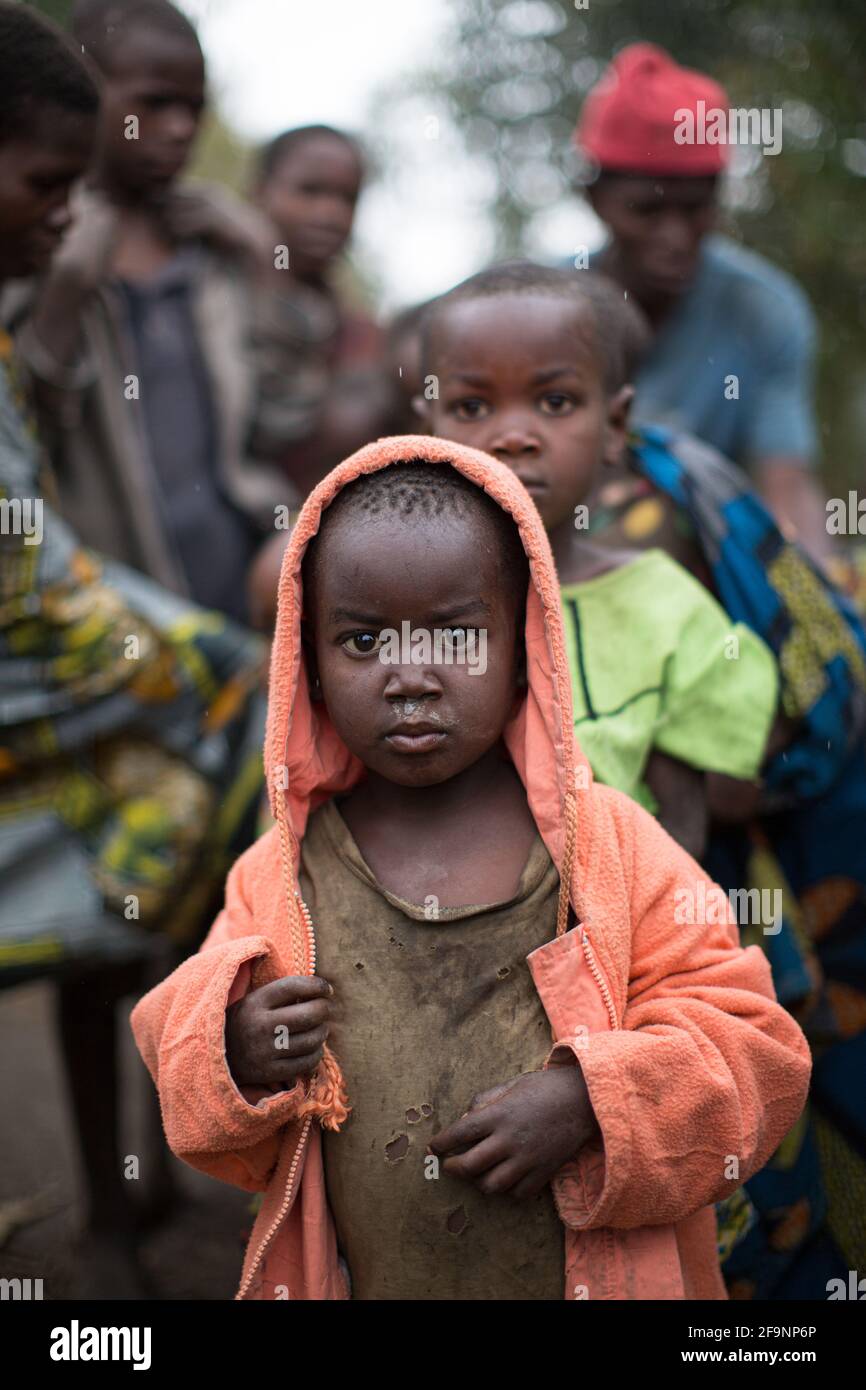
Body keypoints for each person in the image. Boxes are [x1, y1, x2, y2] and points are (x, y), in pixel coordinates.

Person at [131, 433, 811, 1301]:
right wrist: (234, 1049)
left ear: (523, 639)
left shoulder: (609, 846)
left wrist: (591, 1103)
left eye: (454, 636)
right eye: (363, 639)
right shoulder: (280, 875)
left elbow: (752, 1045)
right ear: (307, 659)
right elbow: (180, 1050)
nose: (409, 677)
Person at [0, 2, 266, 1297]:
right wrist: (71, 268)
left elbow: (278, 396)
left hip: (199, 617)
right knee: (100, 934)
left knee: (192, 912)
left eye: (187, 107)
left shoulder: (218, 255)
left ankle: (177, 1167)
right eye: (137, 104)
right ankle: (111, 1219)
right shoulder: (52, 253)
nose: (164, 131)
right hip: (114, 646)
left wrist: (266, 251)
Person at [419, 261, 783, 861]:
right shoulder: (392, 602)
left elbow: (688, 836)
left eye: (555, 401)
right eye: (472, 407)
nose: (513, 435)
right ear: (425, 425)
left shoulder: (665, 610)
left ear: (615, 425)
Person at [3, 0, 319, 626]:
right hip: (111, 612)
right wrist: (66, 292)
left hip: (238, 591)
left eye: (194, 108)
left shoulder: (214, 253)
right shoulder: (30, 242)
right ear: (87, 92)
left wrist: (266, 267)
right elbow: (26, 440)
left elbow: (287, 417)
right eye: (153, 103)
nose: (178, 128)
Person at [571, 42, 831, 564]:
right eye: (646, 210)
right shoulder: (543, 312)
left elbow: (786, 483)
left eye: (696, 210)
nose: (675, 236)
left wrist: (822, 591)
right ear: (595, 200)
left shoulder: (765, 310)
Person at [254, 124, 389, 496]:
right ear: (260, 192)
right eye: (310, 191)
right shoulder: (210, 300)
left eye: (347, 199)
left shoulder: (362, 337)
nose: (330, 213)